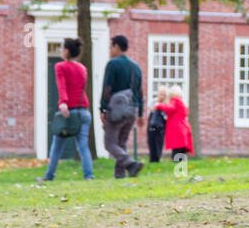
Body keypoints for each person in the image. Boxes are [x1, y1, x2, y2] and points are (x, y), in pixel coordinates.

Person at [40, 38, 94, 180]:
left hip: (70, 112)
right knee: (83, 146)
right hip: (84, 111)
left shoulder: (61, 66)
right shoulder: (83, 68)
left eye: (62, 48)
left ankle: (49, 175)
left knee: (57, 146)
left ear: (67, 51)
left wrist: (63, 102)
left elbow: (61, 86)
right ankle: (89, 175)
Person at [99, 34, 144, 178]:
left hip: (117, 109)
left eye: (111, 46)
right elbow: (140, 91)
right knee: (122, 142)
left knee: (110, 143)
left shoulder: (113, 64)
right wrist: (141, 112)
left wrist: (103, 108)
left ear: (116, 46)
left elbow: (107, 88)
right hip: (132, 109)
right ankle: (120, 174)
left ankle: (130, 163)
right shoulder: (135, 66)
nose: (110, 50)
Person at [154, 85, 193, 164]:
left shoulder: (175, 101)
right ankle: (181, 164)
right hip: (182, 127)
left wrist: (158, 105)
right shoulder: (180, 101)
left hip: (177, 127)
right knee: (181, 147)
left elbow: (169, 107)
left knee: (177, 146)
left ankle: (176, 163)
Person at [146, 86, 168, 164]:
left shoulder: (165, 104)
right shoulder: (153, 102)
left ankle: (157, 159)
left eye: (164, 95)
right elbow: (149, 113)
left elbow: (166, 116)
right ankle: (152, 159)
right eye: (161, 94)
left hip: (160, 128)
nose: (162, 96)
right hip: (152, 126)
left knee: (159, 143)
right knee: (151, 143)